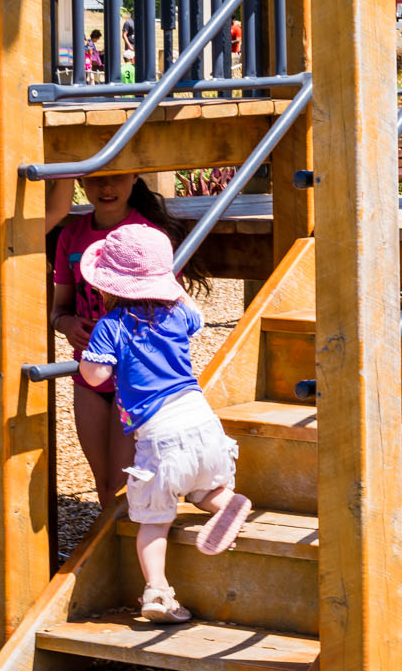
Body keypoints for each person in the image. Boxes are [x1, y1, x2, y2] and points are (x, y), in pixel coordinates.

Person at [76, 223, 250, 623]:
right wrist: (171, 285)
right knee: (201, 486)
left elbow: (97, 377)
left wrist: (86, 358)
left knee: (153, 521)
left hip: (160, 437)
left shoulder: (112, 326)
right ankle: (227, 502)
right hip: (204, 424)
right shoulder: (177, 314)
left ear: (108, 285)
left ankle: (157, 591)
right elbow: (198, 318)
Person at [47, 174, 203, 502]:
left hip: (135, 382)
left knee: (123, 486)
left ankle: (134, 549)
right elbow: (57, 310)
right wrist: (68, 324)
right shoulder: (71, 235)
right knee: (103, 485)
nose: (106, 187)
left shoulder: (150, 237)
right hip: (89, 378)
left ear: (134, 177)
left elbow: (173, 305)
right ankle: (111, 552)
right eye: (96, 179)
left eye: (116, 177)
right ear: (79, 181)